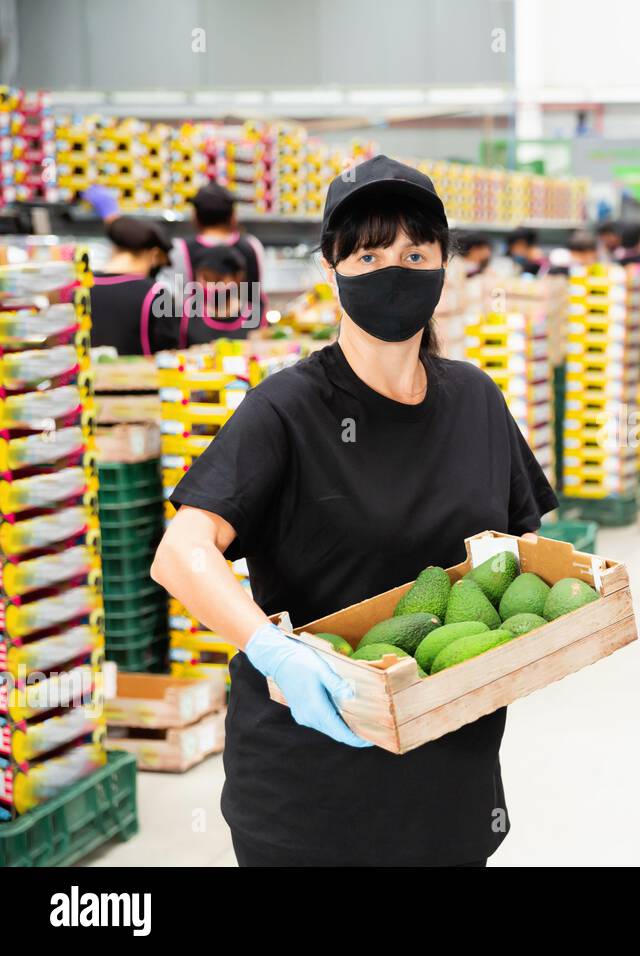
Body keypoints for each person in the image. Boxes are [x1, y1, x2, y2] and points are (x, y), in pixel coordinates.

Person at [151, 155, 558, 865]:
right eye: (368, 253)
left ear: (443, 265)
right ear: (331, 271)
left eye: (414, 252)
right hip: (312, 785)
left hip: (450, 772)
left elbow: (516, 548)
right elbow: (181, 551)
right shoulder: (288, 407)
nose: (393, 270)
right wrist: (269, 646)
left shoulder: (476, 401)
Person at [60, 216, 175, 355]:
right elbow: (169, 351)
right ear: (155, 255)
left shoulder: (79, 286)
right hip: (139, 375)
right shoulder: (157, 292)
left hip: (87, 374)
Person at [177, 183, 269, 323]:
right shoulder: (252, 245)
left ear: (195, 216)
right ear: (233, 216)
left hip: (199, 337)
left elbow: (180, 300)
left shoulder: (182, 249)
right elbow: (259, 291)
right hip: (249, 331)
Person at [176, 244, 261, 348]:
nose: (211, 286)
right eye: (206, 279)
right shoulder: (186, 314)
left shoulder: (256, 316)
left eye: (218, 280)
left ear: (237, 277)